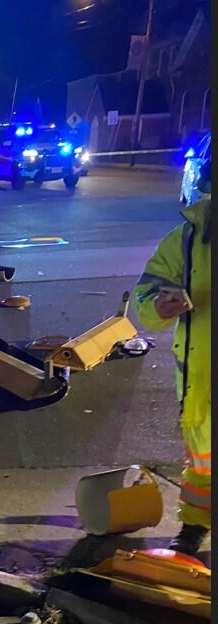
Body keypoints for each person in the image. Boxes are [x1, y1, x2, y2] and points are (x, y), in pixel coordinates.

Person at [131, 155, 211, 558]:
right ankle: (195, 526)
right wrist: (158, 307)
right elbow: (146, 293)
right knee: (204, 462)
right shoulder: (187, 239)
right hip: (202, 380)